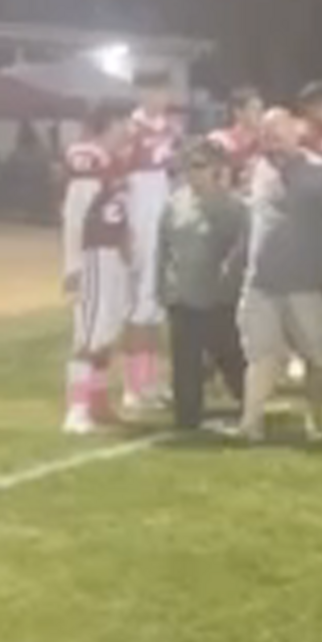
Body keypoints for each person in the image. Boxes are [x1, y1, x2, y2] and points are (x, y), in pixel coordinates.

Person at [237, 108, 322, 442]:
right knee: (260, 353)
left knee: (317, 357)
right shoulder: (259, 168)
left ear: (296, 131)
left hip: (308, 281)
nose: (271, 137)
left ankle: (314, 418)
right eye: (266, 131)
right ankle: (251, 422)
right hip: (261, 281)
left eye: (278, 130)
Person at [158, 139, 249, 431]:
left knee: (230, 357)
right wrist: (162, 284)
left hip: (219, 298)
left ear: (217, 169)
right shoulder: (174, 204)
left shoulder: (233, 207)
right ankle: (187, 418)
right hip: (182, 295)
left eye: (200, 166)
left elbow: (243, 248)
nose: (192, 173)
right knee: (185, 361)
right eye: (188, 167)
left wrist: (230, 279)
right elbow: (162, 248)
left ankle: (251, 404)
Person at [60, 108, 134, 435]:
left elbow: (118, 213)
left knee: (105, 333)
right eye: (121, 125)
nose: (127, 132)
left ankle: (98, 400)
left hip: (112, 256)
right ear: (106, 127)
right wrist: (72, 265)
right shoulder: (89, 158)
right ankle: (77, 409)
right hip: (93, 256)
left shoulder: (114, 161)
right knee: (87, 335)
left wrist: (127, 250)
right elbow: (75, 217)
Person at [121, 72, 183, 413]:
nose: (160, 97)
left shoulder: (170, 130)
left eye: (164, 90)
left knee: (157, 304)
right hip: (140, 220)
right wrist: (126, 228)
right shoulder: (132, 130)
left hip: (162, 217)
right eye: (154, 90)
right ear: (141, 92)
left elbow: (173, 173)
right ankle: (133, 384)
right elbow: (122, 179)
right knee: (139, 305)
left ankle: (150, 379)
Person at [208, 85, 266, 189]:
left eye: (261, 109)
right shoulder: (220, 140)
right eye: (254, 109)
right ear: (238, 112)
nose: (260, 114)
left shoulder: (266, 143)